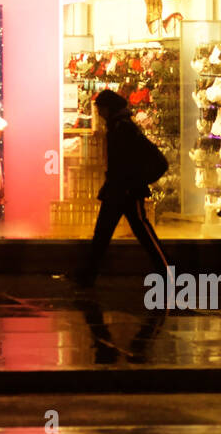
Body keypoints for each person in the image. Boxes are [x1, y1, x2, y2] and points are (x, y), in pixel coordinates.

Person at [69, 88, 170, 289]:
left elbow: (135, 161)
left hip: (124, 191)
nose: (98, 112)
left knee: (136, 233)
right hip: (119, 190)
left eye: (100, 108)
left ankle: (169, 272)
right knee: (106, 233)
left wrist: (134, 183)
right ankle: (88, 275)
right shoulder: (119, 127)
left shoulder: (123, 129)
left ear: (108, 108)